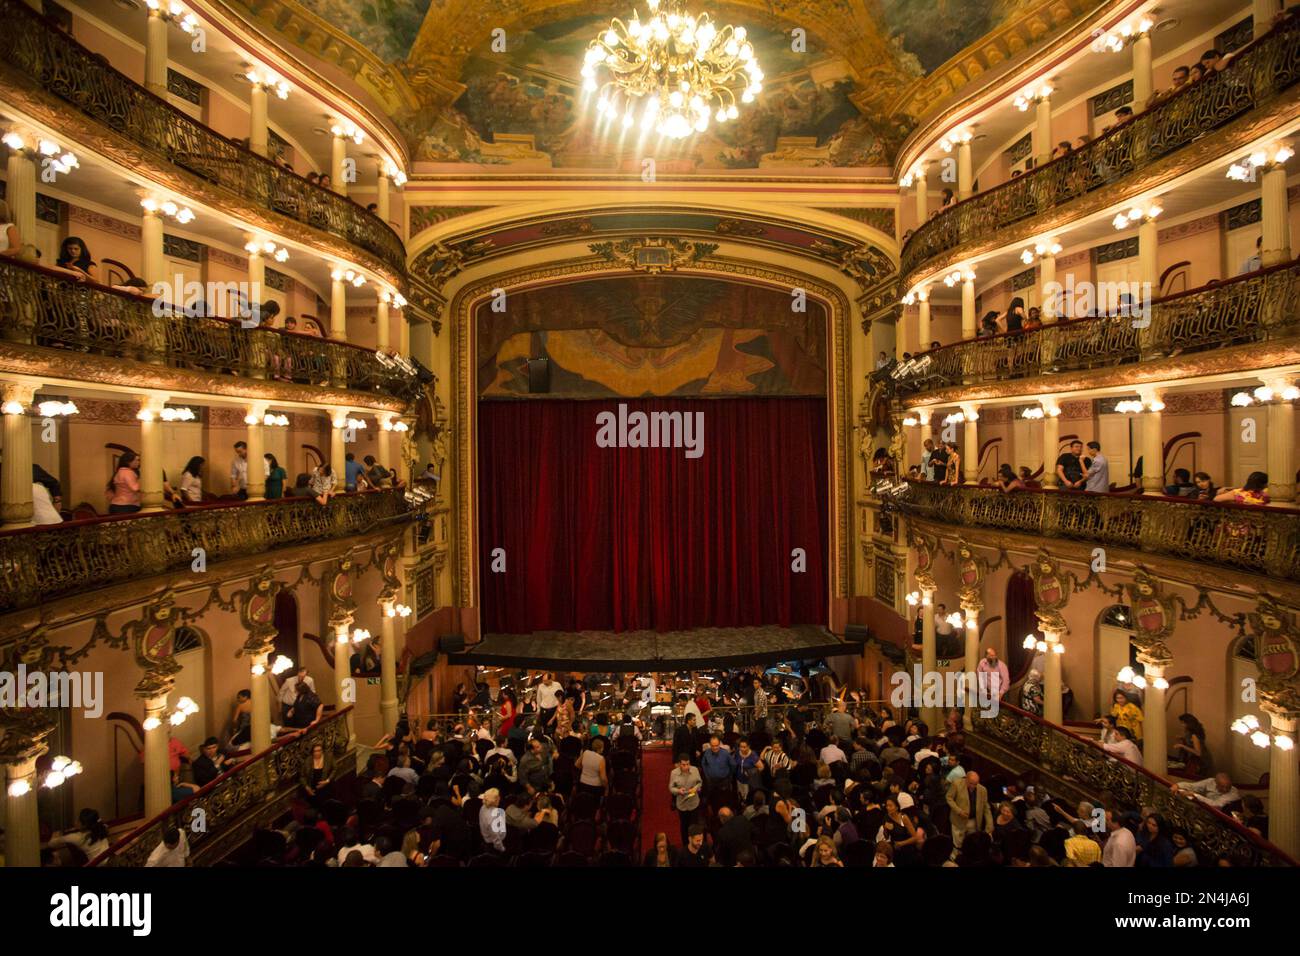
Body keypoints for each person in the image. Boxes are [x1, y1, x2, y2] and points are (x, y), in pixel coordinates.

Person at [947, 770, 993, 848]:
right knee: (958, 843)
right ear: (966, 780)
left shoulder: (983, 790)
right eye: (971, 783)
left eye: (976, 784)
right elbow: (949, 798)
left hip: (973, 821)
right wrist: (959, 811)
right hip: (958, 820)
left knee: (971, 843)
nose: (973, 786)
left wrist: (989, 826)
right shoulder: (957, 784)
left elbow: (986, 808)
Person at [46, 808, 111, 862]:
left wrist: (55, 835)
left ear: (84, 825)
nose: (76, 822)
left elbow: (51, 843)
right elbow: (103, 825)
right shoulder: (100, 828)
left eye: (78, 820)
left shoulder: (78, 837)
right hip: (110, 860)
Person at [669, 753, 702, 845]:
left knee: (694, 826)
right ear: (679, 764)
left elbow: (700, 783)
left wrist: (696, 788)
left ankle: (695, 843)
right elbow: (671, 788)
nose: (686, 767)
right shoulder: (674, 773)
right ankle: (685, 845)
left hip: (694, 802)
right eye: (684, 765)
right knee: (684, 826)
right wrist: (679, 791)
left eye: (688, 764)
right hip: (682, 804)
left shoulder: (695, 770)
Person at [1172, 773, 1240, 809]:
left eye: (1228, 787)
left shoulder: (1234, 793)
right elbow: (1193, 786)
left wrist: (1195, 795)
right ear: (1215, 783)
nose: (1225, 789)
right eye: (1222, 786)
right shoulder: (1210, 781)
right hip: (1205, 809)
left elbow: (1217, 804)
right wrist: (1178, 785)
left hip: (1219, 816)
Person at [106, 449, 142, 513]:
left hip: (115, 505)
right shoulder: (128, 472)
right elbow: (135, 488)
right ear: (128, 462)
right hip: (127, 506)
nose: (138, 462)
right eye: (136, 460)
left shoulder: (119, 472)